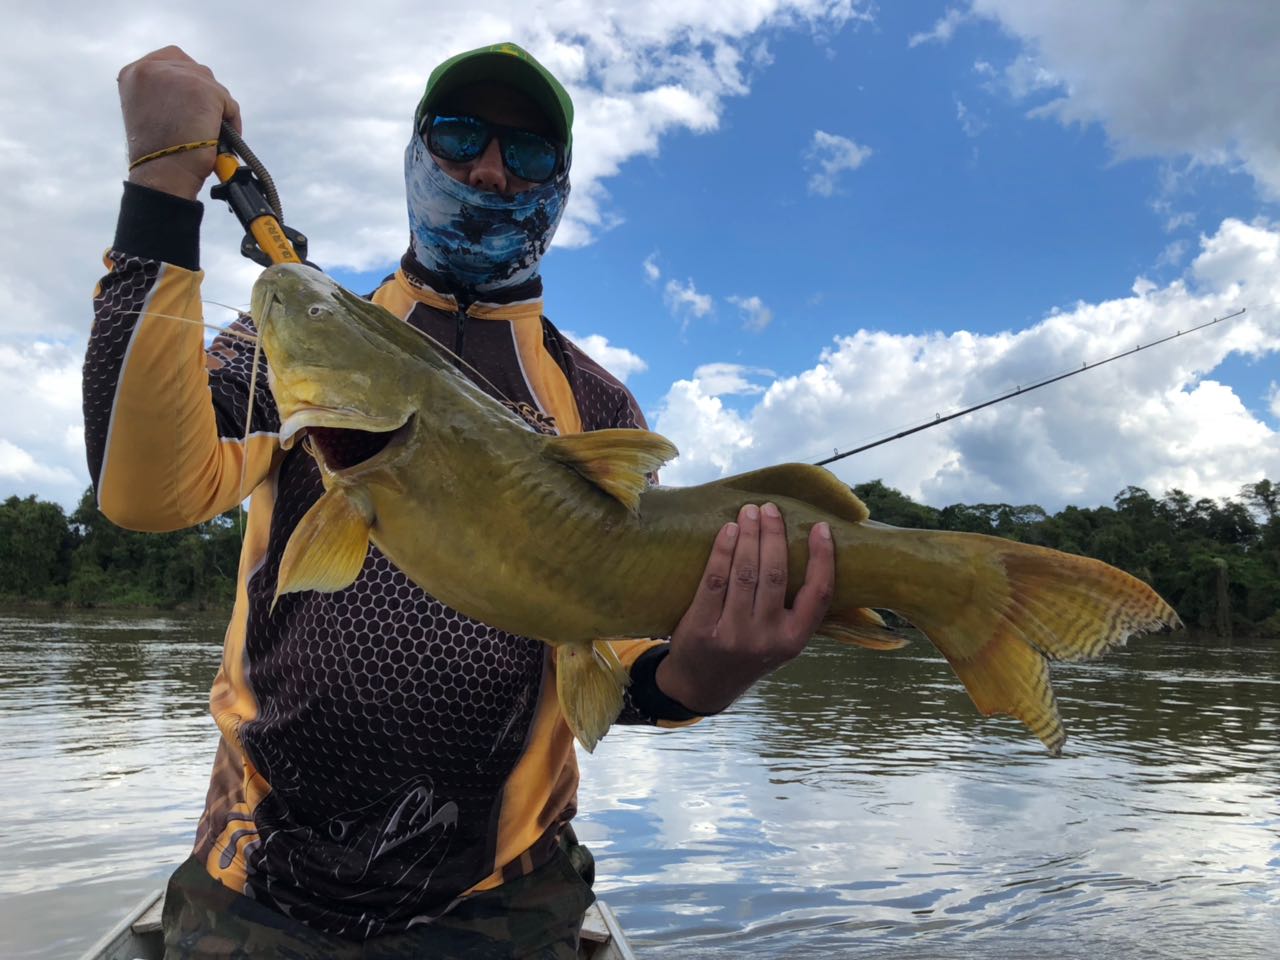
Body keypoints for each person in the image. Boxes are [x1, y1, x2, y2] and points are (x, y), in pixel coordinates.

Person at [88, 41, 835, 958]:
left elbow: (620, 666)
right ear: (414, 154)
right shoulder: (310, 343)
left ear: (561, 188)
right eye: (458, 135)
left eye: (527, 153)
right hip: (255, 881)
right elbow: (146, 493)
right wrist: (161, 194)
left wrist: (707, 677)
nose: (490, 167)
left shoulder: (596, 408)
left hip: (500, 900)